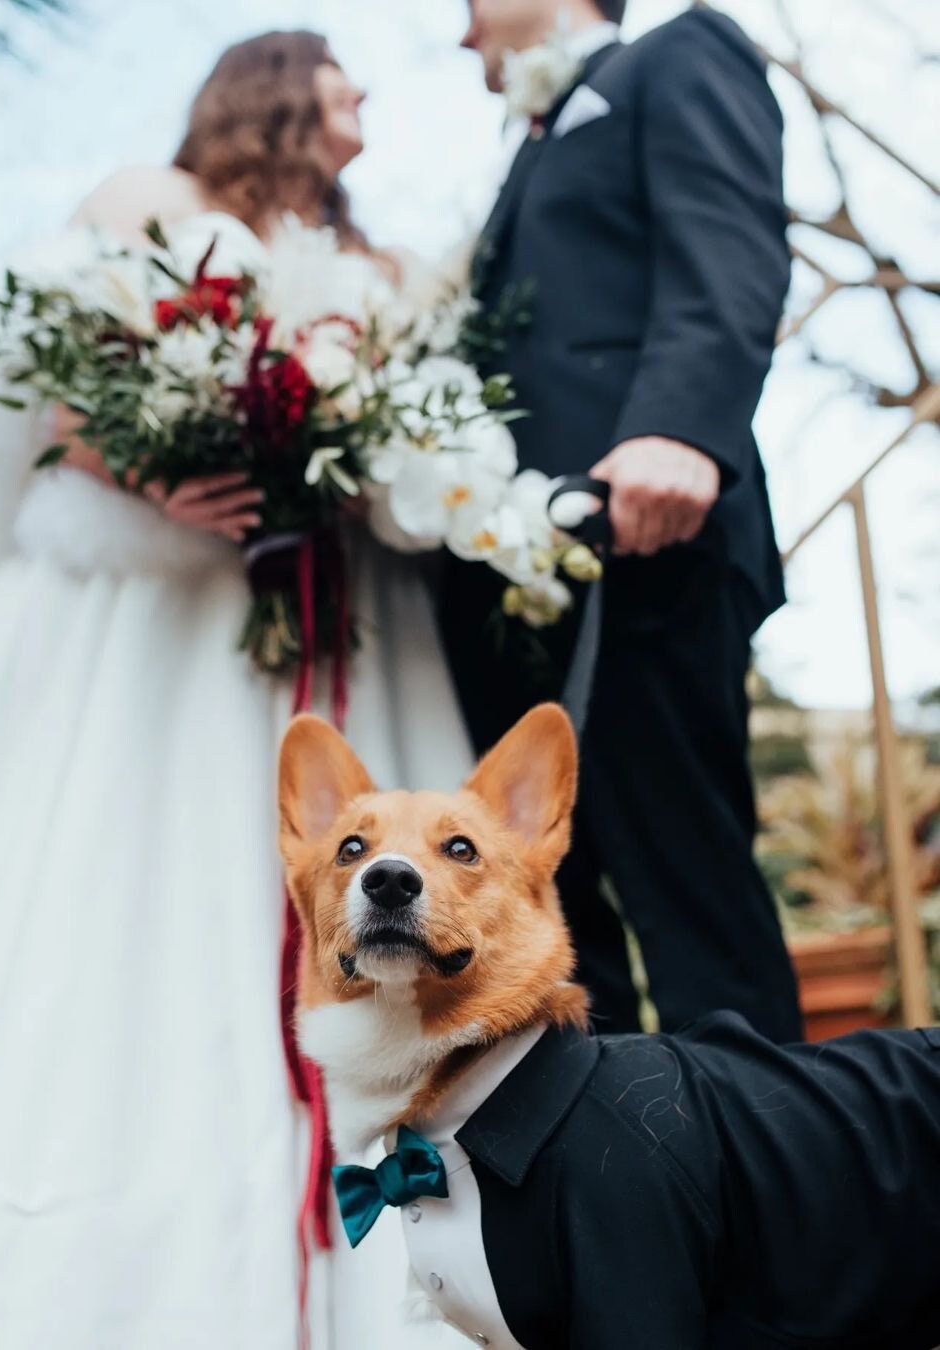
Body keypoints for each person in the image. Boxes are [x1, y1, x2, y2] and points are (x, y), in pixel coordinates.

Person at [0, 31, 468, 1349]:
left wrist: (357, 460)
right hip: (158, 634)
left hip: (335, 629)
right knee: (139, 903)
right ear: (276, 89)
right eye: (343, 78)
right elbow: (18, 385)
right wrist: (149, 479)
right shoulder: (150, 204)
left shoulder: (385, 269)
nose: (367, 101)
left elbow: (421, 440)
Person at [443, 0, 803, 1042]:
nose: (463, 32)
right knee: (549, 920)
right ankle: (613, 1196)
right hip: (512, 578)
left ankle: (765, 1194)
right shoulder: (523, 149)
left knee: (690, 894)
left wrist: (680, 428)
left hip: (650, 539)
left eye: (470, 6)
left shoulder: (679, 52)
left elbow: (728, 243)